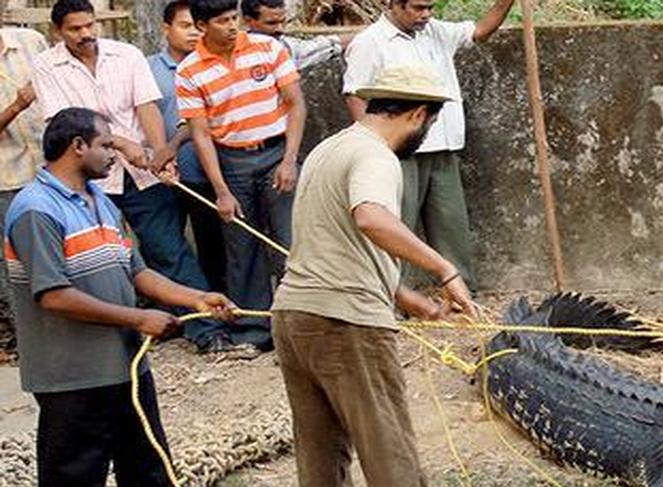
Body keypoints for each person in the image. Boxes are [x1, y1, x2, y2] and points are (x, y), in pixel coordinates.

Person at [3, 108, 233, 487]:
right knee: (71, 484)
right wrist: (140, 319)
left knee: (149, 470)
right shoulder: (35, 210)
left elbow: (138, 272)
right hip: (72, 376)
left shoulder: (101, 203)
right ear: (78, 147)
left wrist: (195, 298)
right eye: (108, 144)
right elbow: (55, 296)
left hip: (124, 366)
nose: (116, 153)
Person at [272, 63, 476, 487]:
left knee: (319, 464)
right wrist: (444, 268)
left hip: (294, 317)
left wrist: (412, 300)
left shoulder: (330, 148)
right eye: (428, 121)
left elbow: (335, 241)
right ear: (416, 114)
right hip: (346, 327)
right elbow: (369, 218)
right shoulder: (375, 158)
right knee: (393, 461)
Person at [32, 0, 241, 354]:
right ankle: (118, 334)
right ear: (57, 32)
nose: (86, 34)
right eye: (75, 29)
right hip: (89, 177)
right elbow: (64, 121)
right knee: (102, 259)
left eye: (89, 25)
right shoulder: (46, 65)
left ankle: (206, 331)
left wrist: (161, 154)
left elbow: (147, 106)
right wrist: (118, 142)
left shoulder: (126, 54)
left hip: (140, 173)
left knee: (168, 250)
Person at [341, 0, 515, 291]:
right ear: (393, 4)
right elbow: (354, 93)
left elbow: (481, 31)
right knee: (397, 227)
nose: (427, 15)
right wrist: (373, 146)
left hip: (443, 145)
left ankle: (461, 296)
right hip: (399, 150)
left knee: (452, 227)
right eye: (419, 8)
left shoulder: (435, 31)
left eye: (431, 7)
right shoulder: (369, 42)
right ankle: (396, 297)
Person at [177, 0, 307, 351]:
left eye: (234, 17)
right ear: (202, 26)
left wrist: (290, 160)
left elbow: (295, 103)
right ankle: (253, 331)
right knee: (242, 247)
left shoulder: (268, 47)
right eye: (222, 21)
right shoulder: (189, 71)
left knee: (289, 242)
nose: (233, 26)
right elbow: (200, 135)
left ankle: (300, 326)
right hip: (231, 161)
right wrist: (221, 190)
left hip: (277, 151)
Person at [147, 0, 227, 296]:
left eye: (196, 26)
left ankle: (216, 303)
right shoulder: (147, 69)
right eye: (184, 26)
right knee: (165, 244)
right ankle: (171, 307)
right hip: (163, 174)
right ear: (166, 29)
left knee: (213, 245)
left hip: (206, 172)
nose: (193, 33)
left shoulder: (215, 66)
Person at [0, 21, 46, 221]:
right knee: (22, 247)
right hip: (9, 181)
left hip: (53, 171)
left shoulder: (31, 40)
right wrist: (16, 107)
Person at [242, 0, 354, 71]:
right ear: (248, 21)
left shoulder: (285, 45)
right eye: (271, 23)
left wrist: (367, 35)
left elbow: (325, 45)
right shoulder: (238, 54)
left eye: (283, 22)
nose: (280, 29)